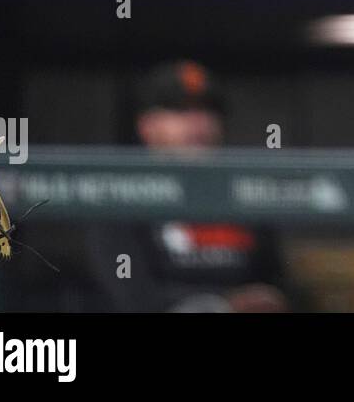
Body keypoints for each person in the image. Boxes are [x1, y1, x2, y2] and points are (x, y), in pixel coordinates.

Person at [84, 61, 291, 312]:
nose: (198, 121)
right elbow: (132, 299)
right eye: (180, 109)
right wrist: (223, 304)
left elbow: (279, 285)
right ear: (147, 126)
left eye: (207, 110)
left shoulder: (242, 195)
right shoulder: (121, 197)